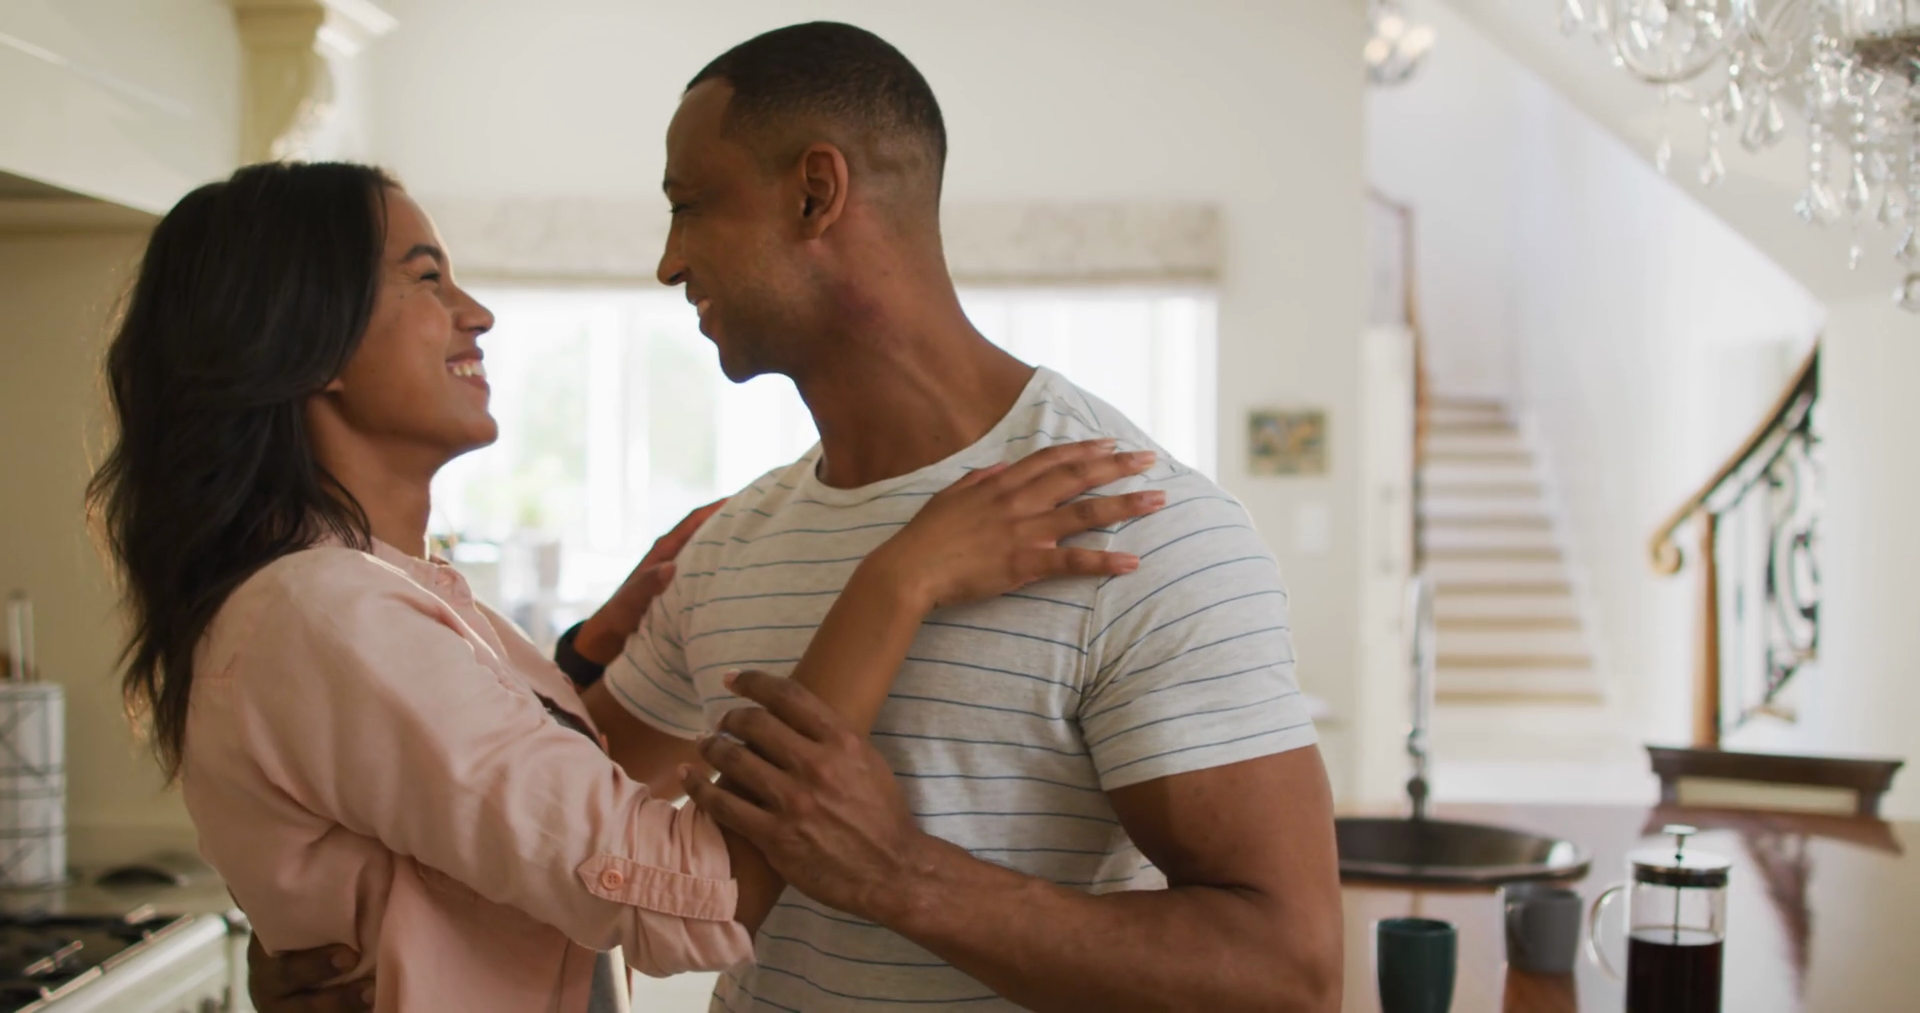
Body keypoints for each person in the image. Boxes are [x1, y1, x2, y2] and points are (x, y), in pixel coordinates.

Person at [259, 20, 1343, 1013]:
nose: (669, 259)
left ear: (816, 194)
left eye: (690, 203)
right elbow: (567, 827)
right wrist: (359, 937)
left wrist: (898, 876)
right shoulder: (732, 546)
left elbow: (1287, 972)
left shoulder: (1137, 527)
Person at [86, 160, 1165, 1012]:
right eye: (425, 276)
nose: (477, 313)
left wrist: (599, 650)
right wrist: (904, 575)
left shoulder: (383, 593)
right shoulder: (327, 612)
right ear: (303, 337)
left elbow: (541, 817)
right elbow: (695, 887)